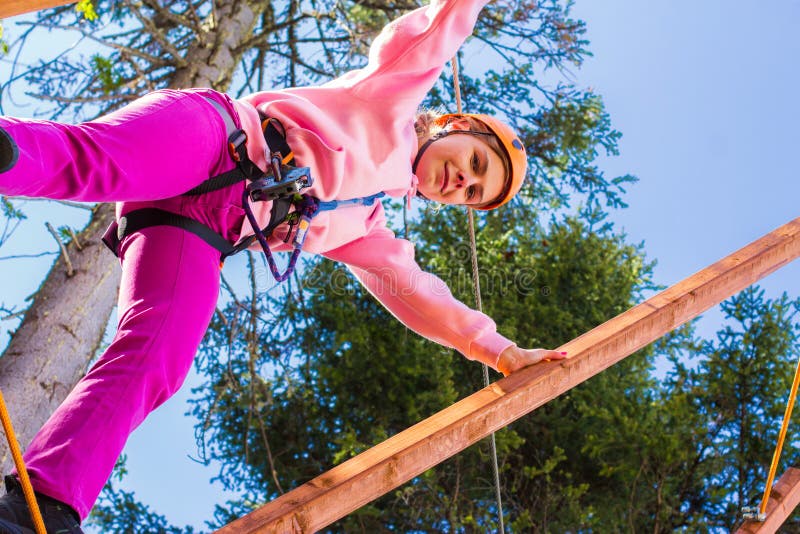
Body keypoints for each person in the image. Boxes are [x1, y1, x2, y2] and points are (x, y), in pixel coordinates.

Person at [0, 0, 567, 531]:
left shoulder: (365, 230)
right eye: (473, 162)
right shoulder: (391, 97)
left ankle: (41, 506)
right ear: (453, 126)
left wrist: (500, 352)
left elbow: (420, 294)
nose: (463, 181)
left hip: (203, 229)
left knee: (161, 353)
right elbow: (444, 28)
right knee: (96, 163)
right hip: (215, 139)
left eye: (471, 192)